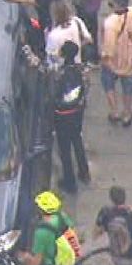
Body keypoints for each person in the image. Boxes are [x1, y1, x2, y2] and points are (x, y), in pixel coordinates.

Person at [51, 42, 90, 193]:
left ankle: (70, 182)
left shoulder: (60, 74)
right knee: (77, 140)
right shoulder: (80, 71)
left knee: (65, 149)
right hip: (76, 113)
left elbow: (54, 95)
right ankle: (84, 172)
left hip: (62, 115)